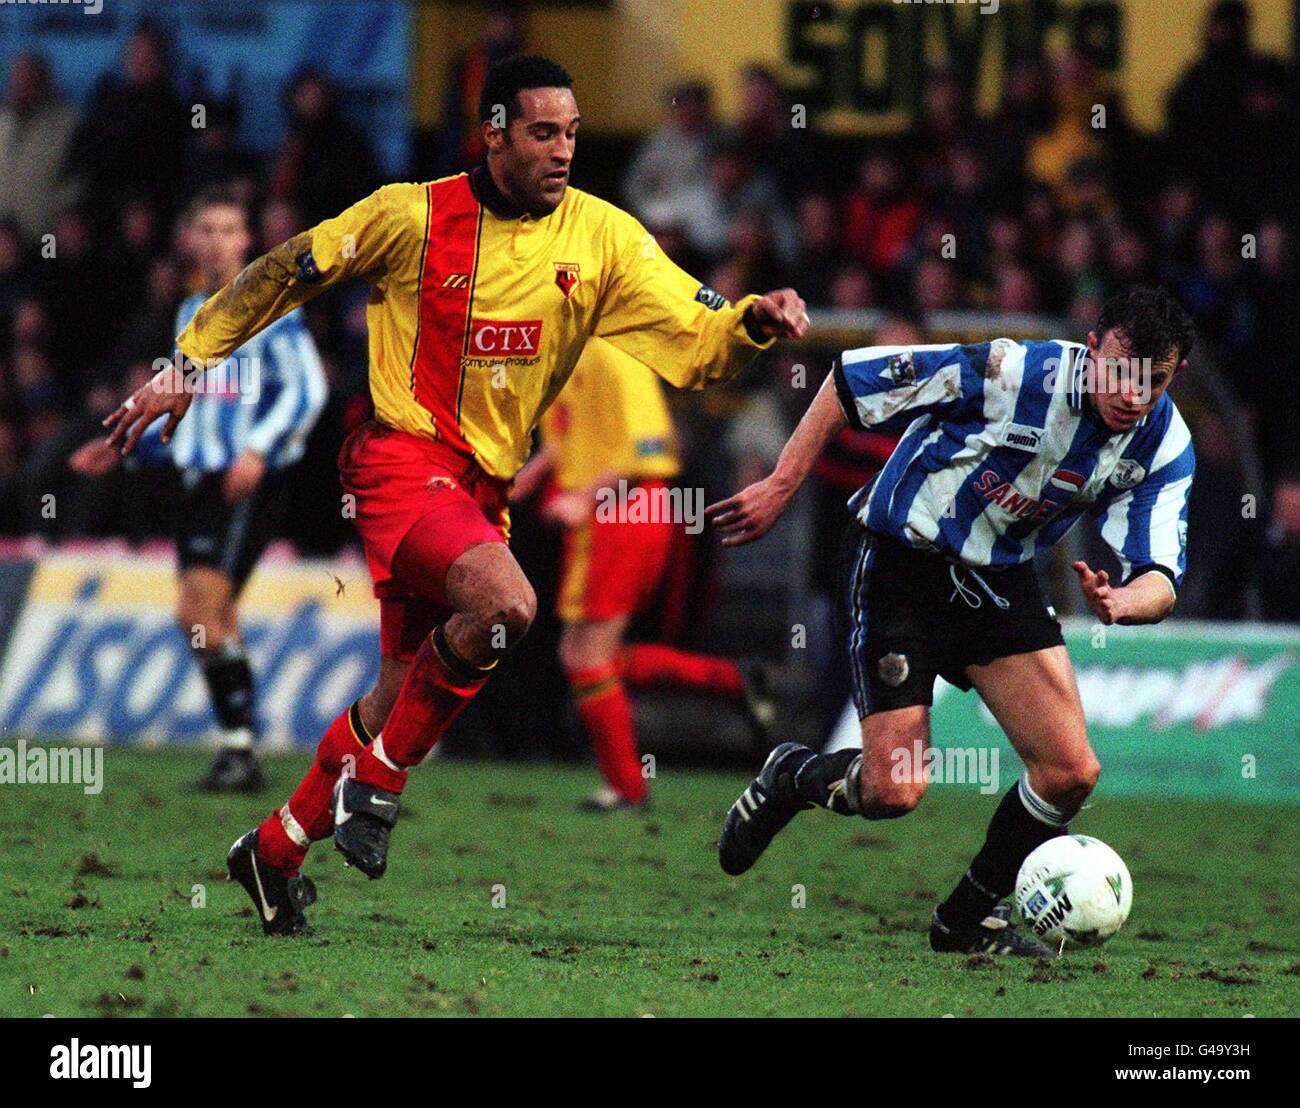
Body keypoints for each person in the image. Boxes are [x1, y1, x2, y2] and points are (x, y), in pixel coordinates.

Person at [104, 55, 807, 935]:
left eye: (574, 135)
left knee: (393, 698)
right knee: (507, 602)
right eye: (545, 133)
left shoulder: (605, 237)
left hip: (481, 488)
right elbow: (287, 268)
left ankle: (274, 850)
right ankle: (383, 782)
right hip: (400, 463)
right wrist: (190, 361)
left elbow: (700, 340)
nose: (563, 152)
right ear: (496, 132)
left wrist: (751, 321)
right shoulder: (409, 215)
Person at [707, 287, 1195, 956]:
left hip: (999, 579)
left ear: (1175, 378)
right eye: (1120, 371)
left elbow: (1160, 578)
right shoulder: (1011, 372)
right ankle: (792, 775)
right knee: (895, 791)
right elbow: (851, 379)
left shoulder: (1166, 443)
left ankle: (963, 919)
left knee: (1070, 770)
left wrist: (1123, 602)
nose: (1133, 396)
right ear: (1091, 352)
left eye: (1154, 382)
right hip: (903, 563)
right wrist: (779, 487)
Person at [71, 186, 327, 792]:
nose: (216, 242)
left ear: (248, 240)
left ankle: (240, 748)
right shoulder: (190, 313)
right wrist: (123, 442)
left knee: (199, 609)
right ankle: (240, 750)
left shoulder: (272, 304)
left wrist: (258, 449)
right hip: (196, 479)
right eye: (205, 229)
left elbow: (307, 389)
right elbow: (180, 396)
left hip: (246, 482)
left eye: (228, 230)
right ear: (190, 239)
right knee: (211, 617)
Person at [512, 336, 774, 811]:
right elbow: (576, 433)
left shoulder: (614, 353)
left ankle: (627, 788)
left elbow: (649, 449)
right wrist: (532, 474)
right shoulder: (563, 351)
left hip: (624, 509)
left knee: (582, 654)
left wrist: (584, 498)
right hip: (613, 511)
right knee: (595, 655)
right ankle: (732, 681)